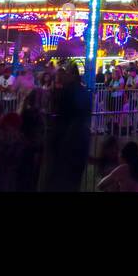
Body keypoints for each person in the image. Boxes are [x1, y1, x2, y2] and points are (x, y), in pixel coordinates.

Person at [41, 63, 91, 191]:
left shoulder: (66, 91)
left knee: (60, 176)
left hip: (66, 137)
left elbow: (60, 113)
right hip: (81, 139)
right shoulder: (84, 91)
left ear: (70, 74)